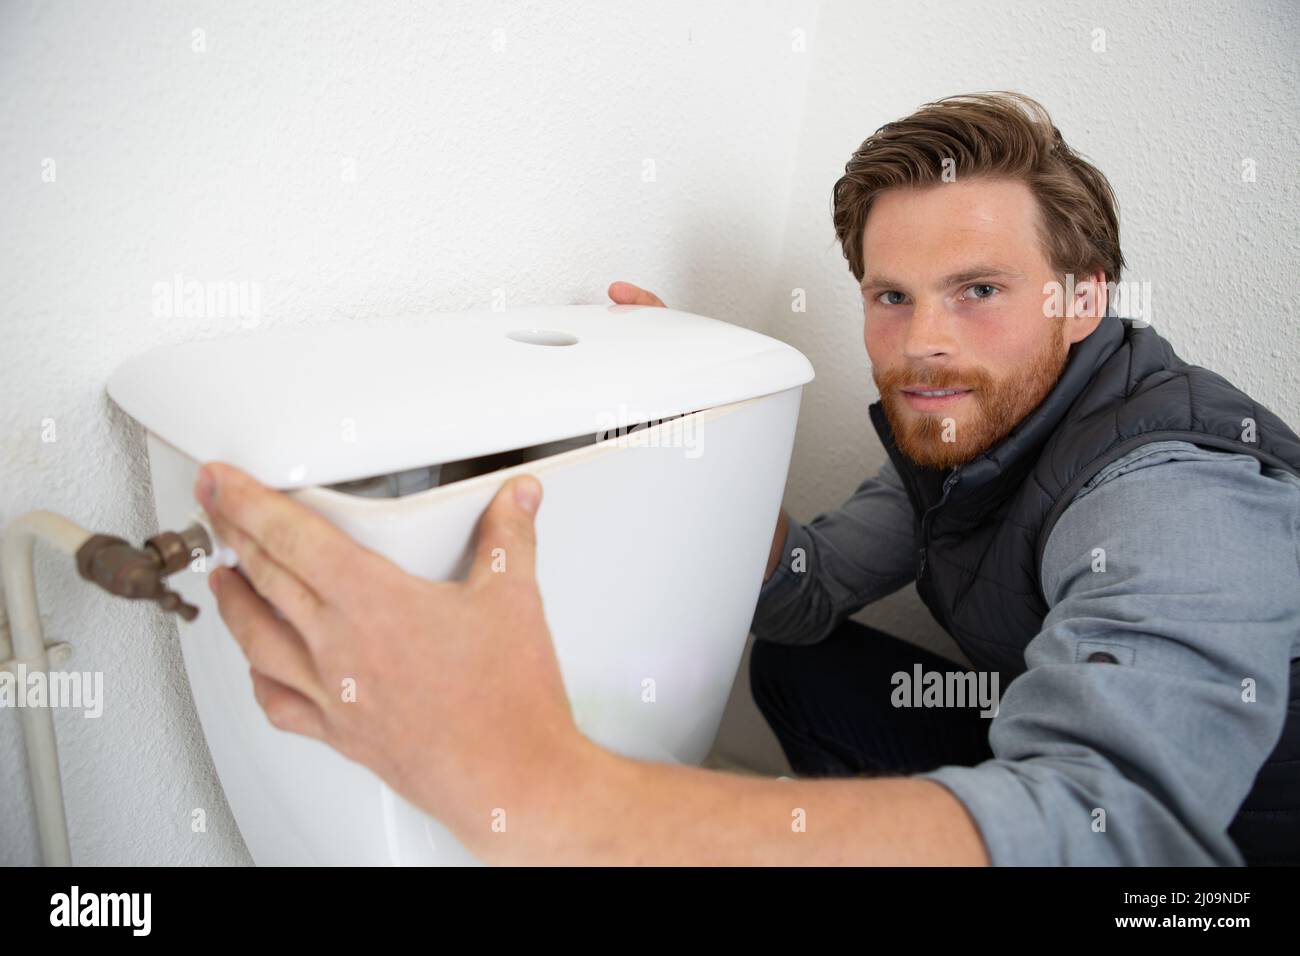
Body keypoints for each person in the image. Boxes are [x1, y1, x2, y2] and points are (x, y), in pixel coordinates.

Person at [199, 92, 1300, 865]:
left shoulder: (1174, 484)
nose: (921, 343)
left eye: (977, 289)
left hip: (1235, 836)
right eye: (891, 296)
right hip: (1044, 728)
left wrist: (544, 794)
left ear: (1081, 299)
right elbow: (798, 588)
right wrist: (691, 427)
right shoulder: (968, 437)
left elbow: (1119, 829)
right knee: (797, 663)